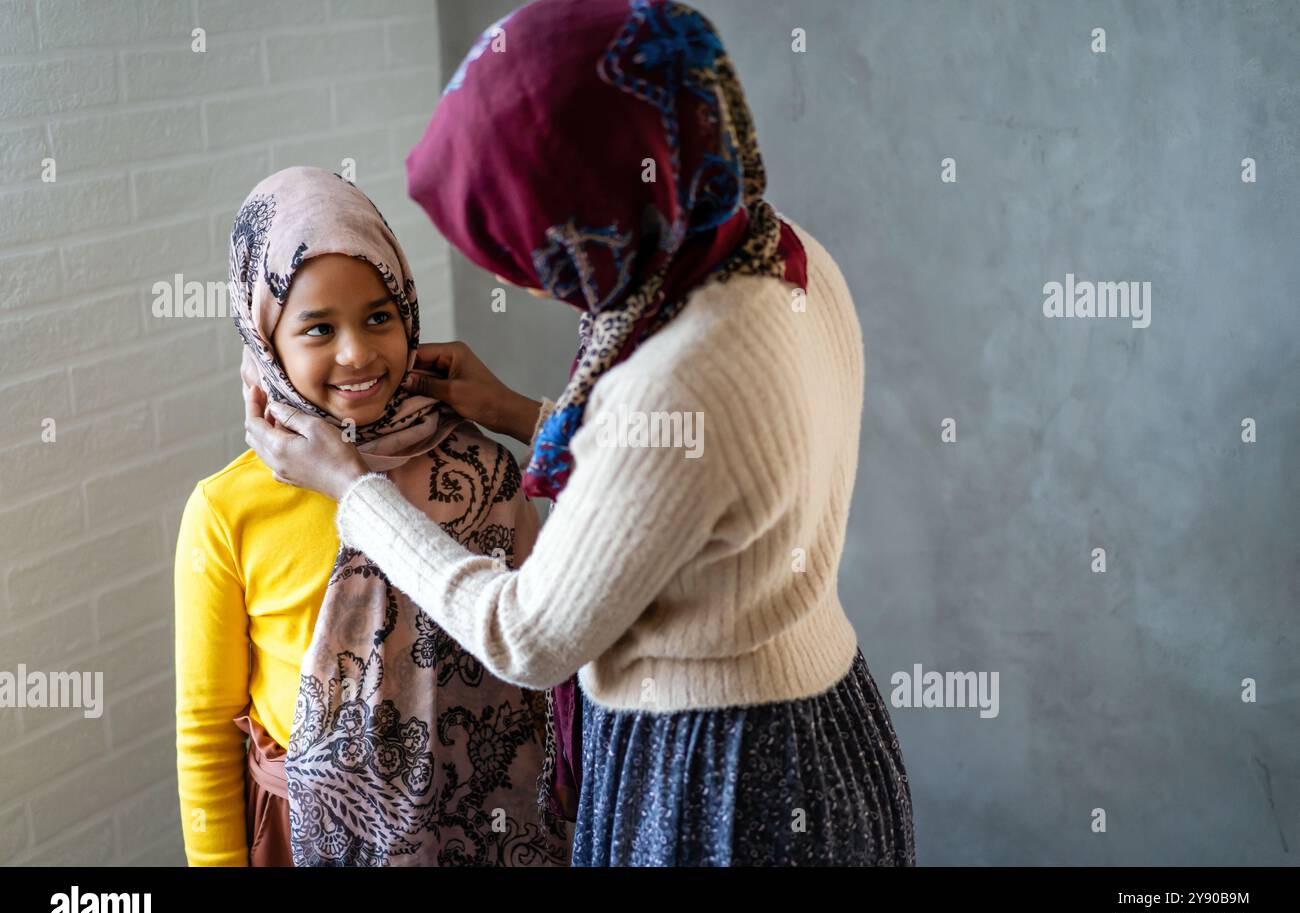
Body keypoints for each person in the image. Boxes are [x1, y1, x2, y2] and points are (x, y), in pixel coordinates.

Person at [244, 0, 916, 866]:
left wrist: (354, 490)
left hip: (719, 778)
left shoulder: (676, 373)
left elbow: (525, 635)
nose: (528, 287)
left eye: (531, 249)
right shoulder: (775, 250)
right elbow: (709, 485)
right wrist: (528, 415)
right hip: (823, 722)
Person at [174, 166, 569, 866]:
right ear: (265, 338)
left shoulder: (479, 469)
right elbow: (206, 727)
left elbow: (547, 658)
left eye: (378, 317)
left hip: (488, 821)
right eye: (318, 328)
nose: (356, 352)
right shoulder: (228, 508)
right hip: (304, 833)